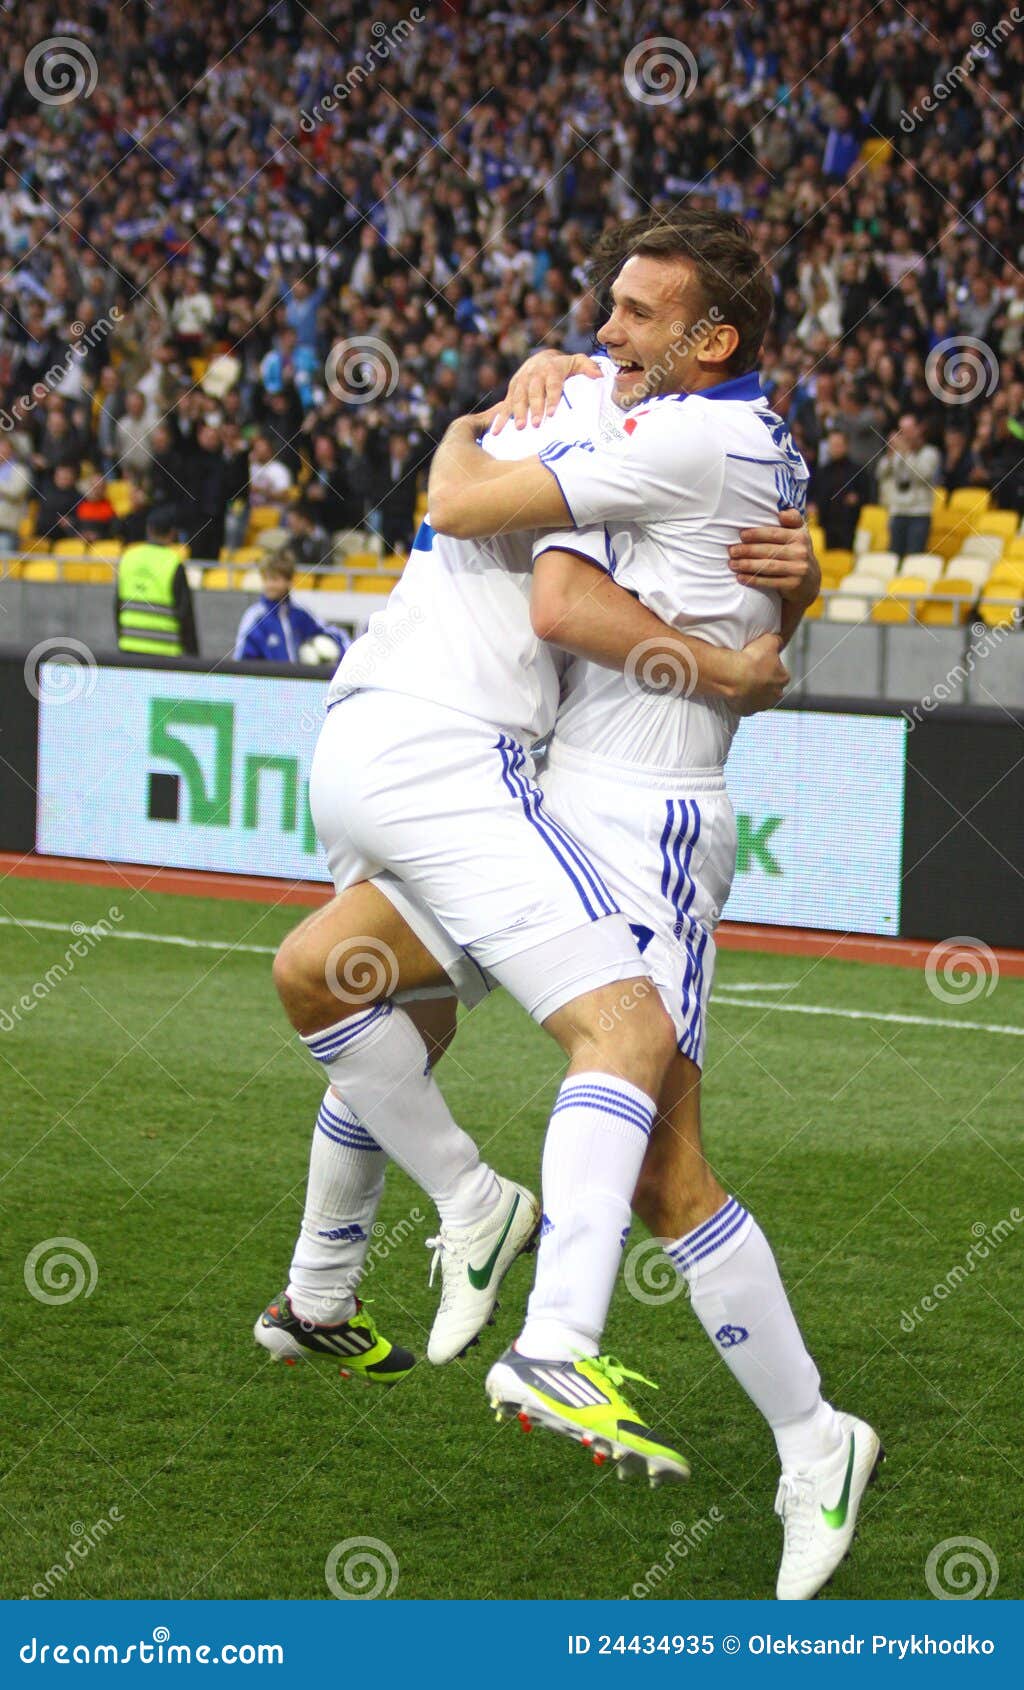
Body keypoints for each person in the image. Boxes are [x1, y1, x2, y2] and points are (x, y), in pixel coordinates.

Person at [115, 510, 198, 656]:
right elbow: (185, 613)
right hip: (165, 652)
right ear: (172, 533)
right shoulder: (173, 562)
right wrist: (193, 654)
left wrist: (122, 639)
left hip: (130, 649)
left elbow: (117, 606)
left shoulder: (128, 558)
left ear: (148, 529)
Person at [233, 556, 343, 664]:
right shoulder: (255, 616)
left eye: (275, 579)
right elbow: (241, 658)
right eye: (266, 579)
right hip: (266, 681)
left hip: (297, 681)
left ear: (289, 581)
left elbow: (334, 634)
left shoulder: (301, 613)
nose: (269, 585)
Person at [877, 415, 940, 557]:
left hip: (919, 513)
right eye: (901, 431)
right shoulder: (897, 453)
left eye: (908, 430)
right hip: (898, 511)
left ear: (919, 430)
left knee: (914, 557)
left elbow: (922, 474)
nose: (905, 435)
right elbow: (881, 473)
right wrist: (890, 453)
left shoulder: (930, 453)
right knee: (893, 556)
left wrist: (906, 452)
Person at [809, 430, 871, 549]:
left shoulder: (857, 471)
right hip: (826, 525)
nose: (835, 449)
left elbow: (867, 496)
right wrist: (812, 505)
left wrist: (857, 499)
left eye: (838, 445)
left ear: (846, 446)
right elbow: (813, 496)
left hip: (850, 525)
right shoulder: (821, 472)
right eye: (832, 445)